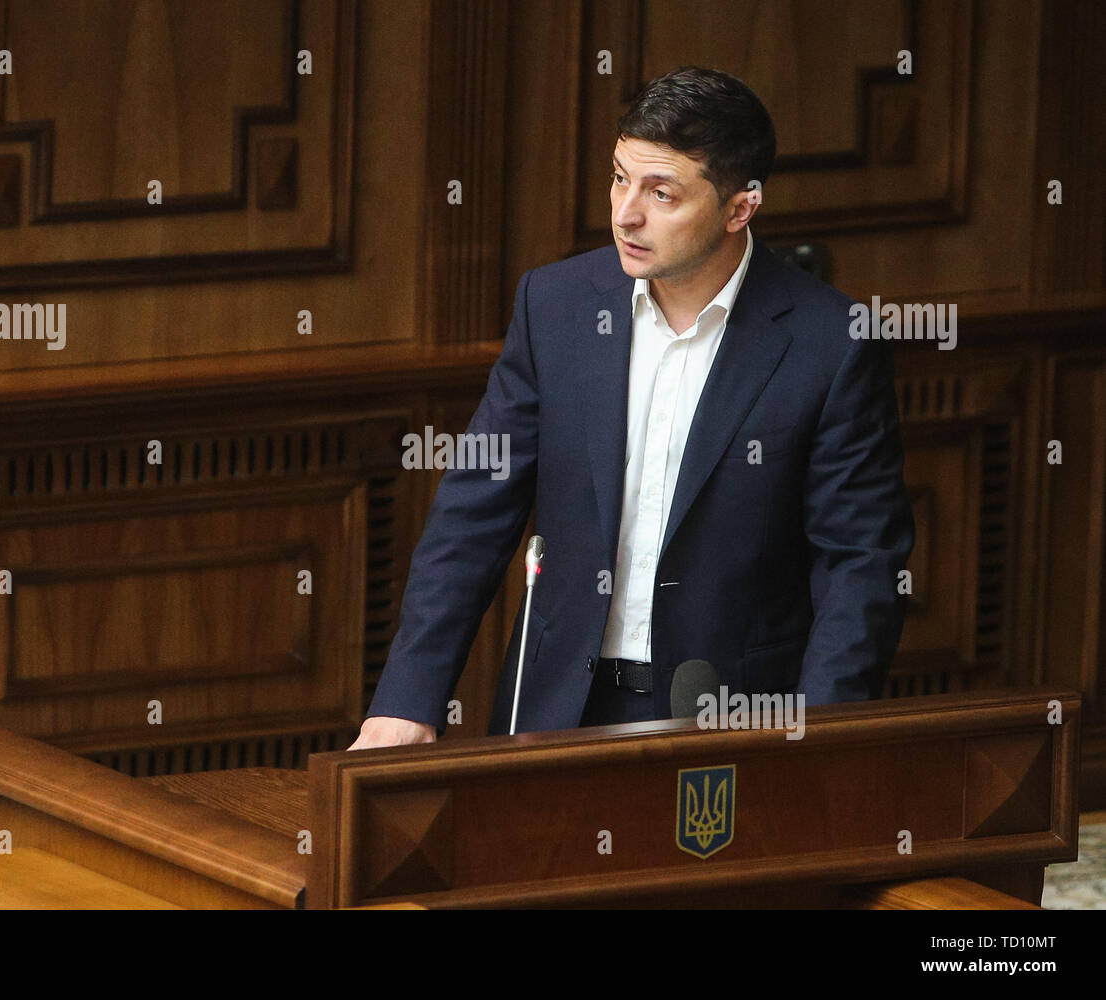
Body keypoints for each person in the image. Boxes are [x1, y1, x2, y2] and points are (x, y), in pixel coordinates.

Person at [349, 66, 914, 750]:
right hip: (554, 705)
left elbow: (859, 564)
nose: (626, 213)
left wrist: (821, 738)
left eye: (662, 192)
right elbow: (471, 514)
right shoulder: (554, 306)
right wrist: (408, 699)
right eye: (620, 178)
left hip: (732, 720)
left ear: (740, 209)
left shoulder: (832, 343)